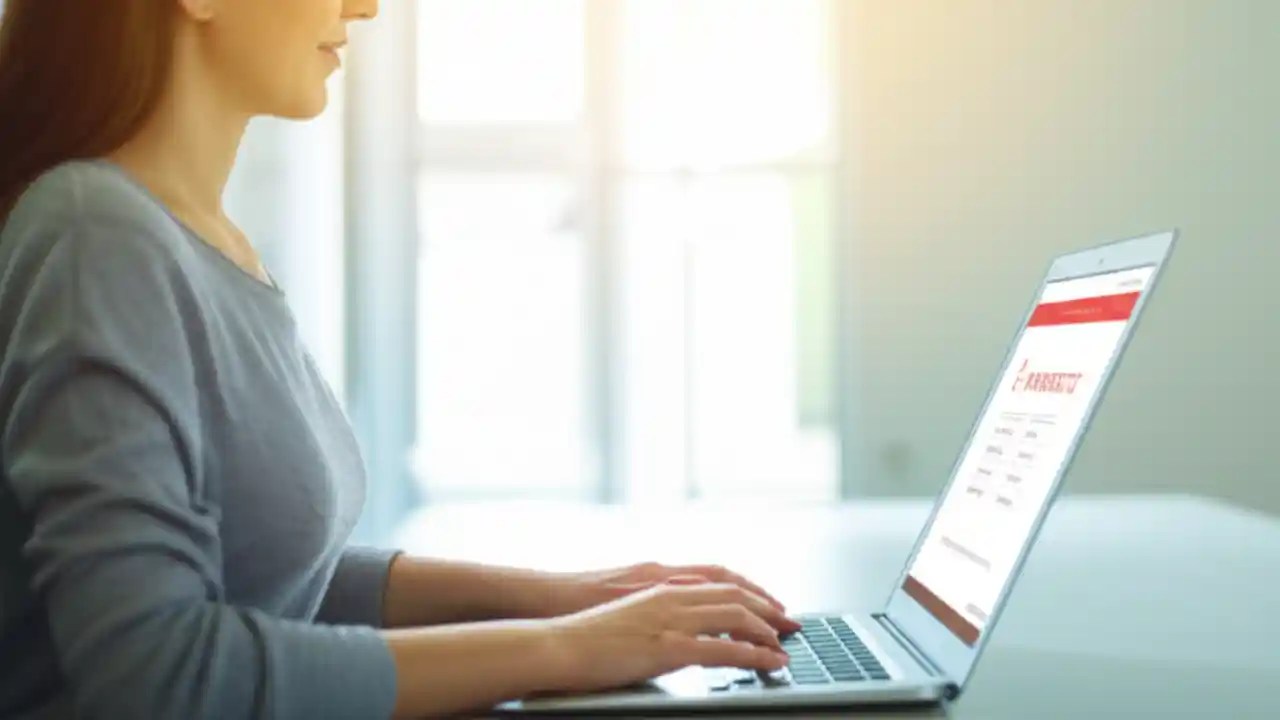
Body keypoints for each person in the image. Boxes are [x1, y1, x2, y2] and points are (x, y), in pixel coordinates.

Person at [0, 1, 800, 718]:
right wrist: (572, 647)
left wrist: (568, 602)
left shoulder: (199, 239)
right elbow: (157, 680)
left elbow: (270, 578)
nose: (364, 6)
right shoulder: (95, 233)